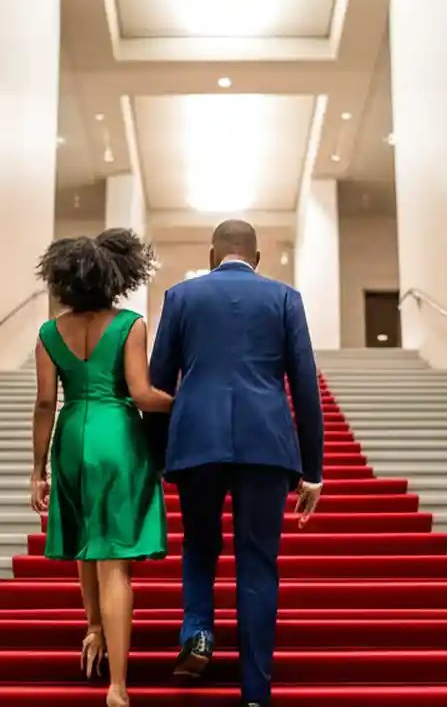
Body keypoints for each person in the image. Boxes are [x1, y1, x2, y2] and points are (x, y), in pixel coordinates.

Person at [148, 219, 325, 707]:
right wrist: (313, 468)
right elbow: (305, 384)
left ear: (211, 256)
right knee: (258, 564)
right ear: (257, 258)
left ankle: (199, 630)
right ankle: (254, 691)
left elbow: (159, 383)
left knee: (200, 547)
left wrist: (158, 456)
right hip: (266, 442)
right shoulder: (285, 298)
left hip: (197, 440)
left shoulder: (181, 298)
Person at [30, 229, 173, 707]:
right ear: (116, 275)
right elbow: (142, 394)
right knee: (115, 563)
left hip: (71, 437)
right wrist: (188, 403)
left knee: (84, 543)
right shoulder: (130, 324)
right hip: (116, 435)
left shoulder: (50, 332)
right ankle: (117, 685)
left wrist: (37, 470)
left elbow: (46, 400)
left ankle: (93, 627)